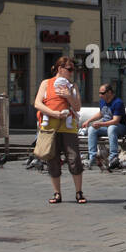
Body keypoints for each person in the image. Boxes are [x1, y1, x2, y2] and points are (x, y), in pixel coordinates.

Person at [34, 57, 85, 205]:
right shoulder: (46, 83)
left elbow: (77, 107)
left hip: (68, 128)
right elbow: (37, 103)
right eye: (69, 69)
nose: (71, 72)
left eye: (72, 69)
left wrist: (68, 96)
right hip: (49, 127)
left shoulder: (72, 85)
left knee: (74, 158)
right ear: (60, 69)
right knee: (52, 160)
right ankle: (57, 193)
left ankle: (78, 192)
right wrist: (53, 113)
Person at [85, 84, 126, 170]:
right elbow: (101, 113)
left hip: (120, 127)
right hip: (107, 126)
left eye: (102, 93)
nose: (100, 95)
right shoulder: (102, 101)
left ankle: (113, 157)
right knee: (91, 129)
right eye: (99, 93)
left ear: (109, 92)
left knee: (111, 128)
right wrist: (89, 121)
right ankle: (92, 157)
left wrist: (100, 124)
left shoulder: (118, 102)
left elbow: (116, 121)